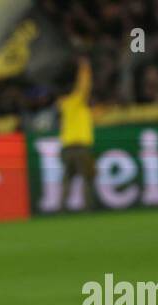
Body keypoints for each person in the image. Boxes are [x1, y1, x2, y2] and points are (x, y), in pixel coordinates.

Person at [58, 57, 96, 211]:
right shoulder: (75, 101)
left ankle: (61, 209)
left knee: (67, 180)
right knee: (87, 178)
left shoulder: (67, 106)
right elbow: (84, 86)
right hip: (80, 148)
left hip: (67, 149)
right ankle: (89, 207)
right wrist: (85, 68)